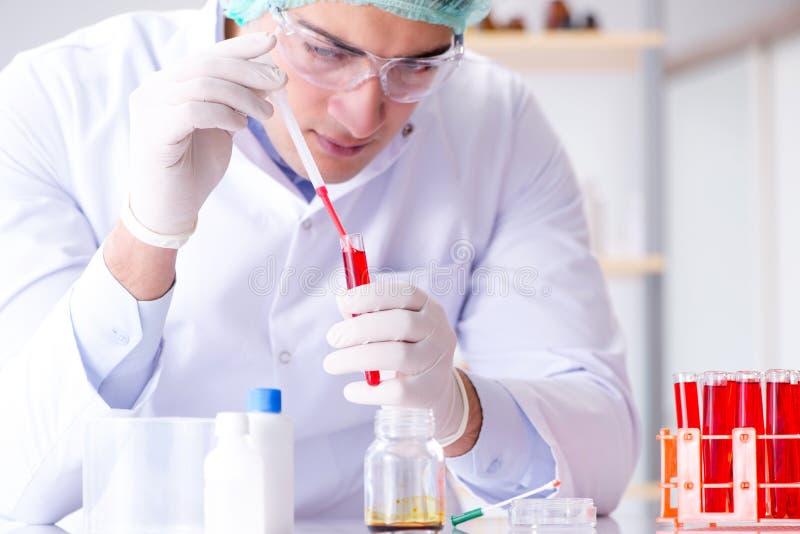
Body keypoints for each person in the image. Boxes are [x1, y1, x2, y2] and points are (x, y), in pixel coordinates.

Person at [0, 0, 640, 524]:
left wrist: (456, 407)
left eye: (417, 67)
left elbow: (602, 454)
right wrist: (143, 238)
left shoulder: (497, 122)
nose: (364, 113)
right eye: (327, 52)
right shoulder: (56, 100)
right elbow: (20, 480)